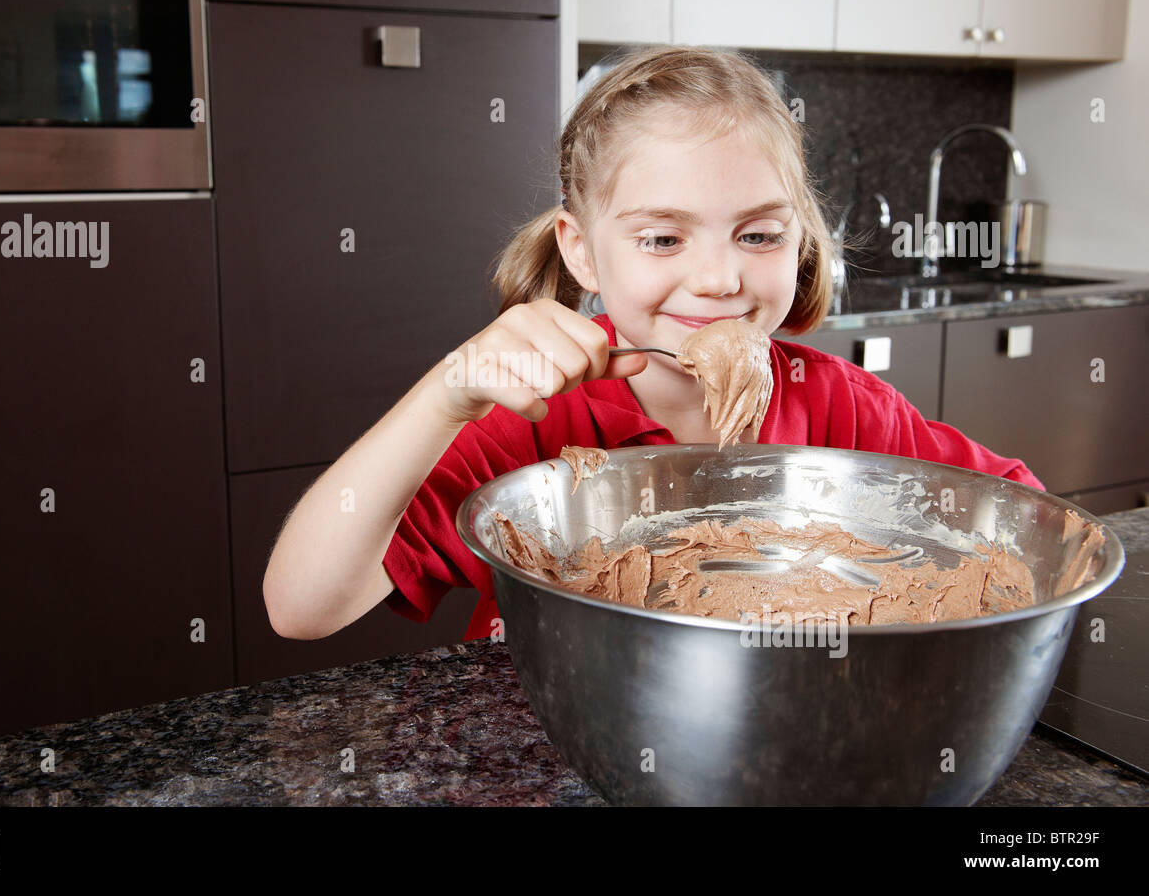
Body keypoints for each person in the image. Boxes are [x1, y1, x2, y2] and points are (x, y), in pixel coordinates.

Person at [262, 45, 1044, 643]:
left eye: (760, 234)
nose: (718, 278)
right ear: (579, 250)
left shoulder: (846, 412)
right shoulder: (533, 423)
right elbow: (302, 607)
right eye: (663, 238)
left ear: (801, 241)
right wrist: (443, 396)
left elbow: (1028, 527)